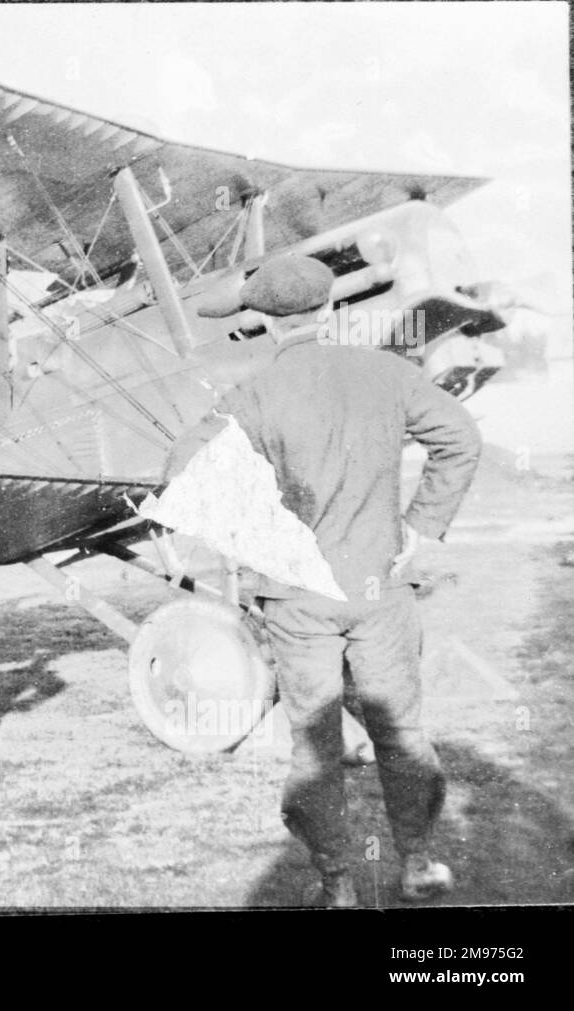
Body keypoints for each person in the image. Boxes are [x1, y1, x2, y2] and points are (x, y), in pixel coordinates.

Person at [175, 255, 481, 907]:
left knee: (315, 747)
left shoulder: (251, 396)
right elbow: (459, 437)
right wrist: (424, 527)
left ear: (262, 318)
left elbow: (184, 469)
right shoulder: (385, 372)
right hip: (380, 587)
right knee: (399, 730)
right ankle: (418, 862)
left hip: (296, 600)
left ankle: (336, 881)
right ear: (329, 308)